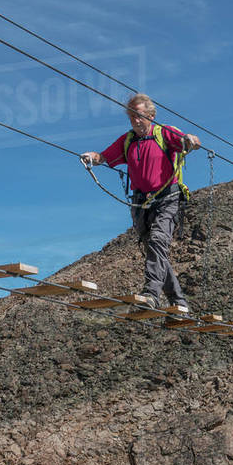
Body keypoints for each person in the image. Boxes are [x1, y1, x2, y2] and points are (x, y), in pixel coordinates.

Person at [81, 93, 200, 311]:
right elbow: (104, 157)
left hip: (168, 198)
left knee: (157, 242)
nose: (136, 120)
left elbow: (189, 142)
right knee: (154, 249)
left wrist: (191, 141)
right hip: (140, 204)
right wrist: (92, 157)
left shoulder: (165, 132)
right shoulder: (128, 141)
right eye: (132, 116)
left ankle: (151, 295)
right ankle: (179, 303)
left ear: (151, 116)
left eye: (140, 115)